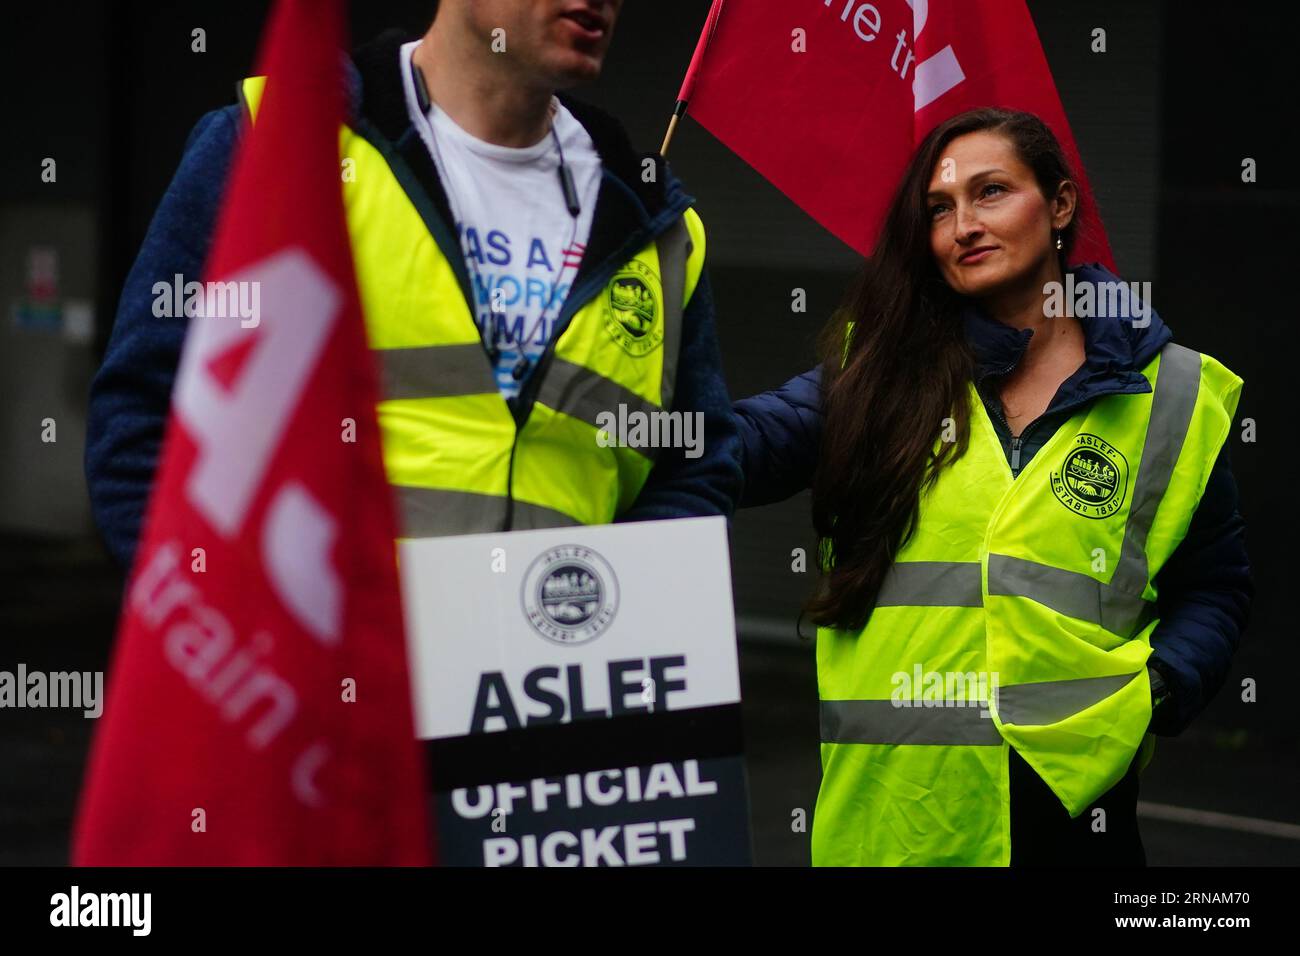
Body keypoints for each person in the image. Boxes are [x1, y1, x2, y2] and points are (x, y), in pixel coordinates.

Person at [733, 107, 1251, 866]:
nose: (963, 225)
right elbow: (744, 448)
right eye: (940, 209)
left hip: (1076, 813)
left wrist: (1159, 692)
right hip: (896, 819)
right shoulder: (880, 367)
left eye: (992, 192)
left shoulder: (1170, 391)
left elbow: (1215, 585)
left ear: (1062, 204)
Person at [86, 0, 740, 568]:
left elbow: (695, 464)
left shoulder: (658, 226)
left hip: (551, 694)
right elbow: (142, 429)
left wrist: (613, 632)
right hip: (327, 700)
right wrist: (238, 656)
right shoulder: (279, 145)